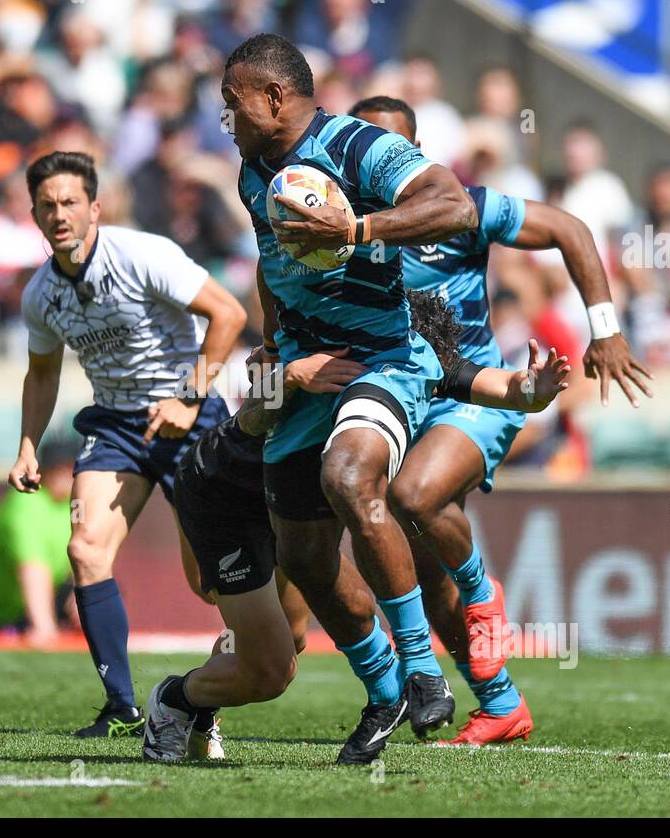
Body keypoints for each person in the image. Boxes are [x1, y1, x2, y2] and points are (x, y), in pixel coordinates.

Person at [143, 289, 571, 762]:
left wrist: (538, 389)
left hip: (286, 514)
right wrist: (288, 375)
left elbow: (505, 388)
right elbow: (249, 418)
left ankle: (207, 704)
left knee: (288, 648)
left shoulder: (410, 367)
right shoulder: (321, 348)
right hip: (225, 498)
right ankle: (174, 701)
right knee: (268, 671)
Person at [350, 96, 652, 744]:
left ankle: (483, 588)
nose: (377, 162)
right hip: (401, 398)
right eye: (363, 147)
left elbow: (571, 229)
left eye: (391, 148)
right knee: (426, 570)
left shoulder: (462, 207)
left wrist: (605, 330)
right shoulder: (347, 230)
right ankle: (502, 702)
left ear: (416, 152)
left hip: (481, 393)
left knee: (412, 495)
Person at [222, 32, 479, 762]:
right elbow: (276, 263)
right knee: (300, 553)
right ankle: (385, 688)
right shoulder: (253, 171)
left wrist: (358, 226)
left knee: (349, 475)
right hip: (306, 368)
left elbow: (452, 203)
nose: (227, 119)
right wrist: (273, 340)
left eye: (232, 102)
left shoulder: (359, 146)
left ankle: (425, 668)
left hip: (382, 359)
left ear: (274, 97)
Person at [9, 150, 247, 737]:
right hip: (116, 428)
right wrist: (28, 445)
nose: (59, 214)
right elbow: (42, 373)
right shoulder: (39, 294)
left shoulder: (142, 253)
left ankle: (205, 696)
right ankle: (121, 706)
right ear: (35, 216)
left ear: (95, 207)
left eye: (70, 202)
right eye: (47, 206)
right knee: (85, 550)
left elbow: (229, 314)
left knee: (210, 584)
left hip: (190, 418)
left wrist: (189, 397)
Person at [0, 434, 76, 646]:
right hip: (0, 610)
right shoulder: (27, 504)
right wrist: (44, 627)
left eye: (71, 468)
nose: (66, 475)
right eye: (59, 468)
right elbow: (32, 567)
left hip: (47, 594)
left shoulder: (74, 504)